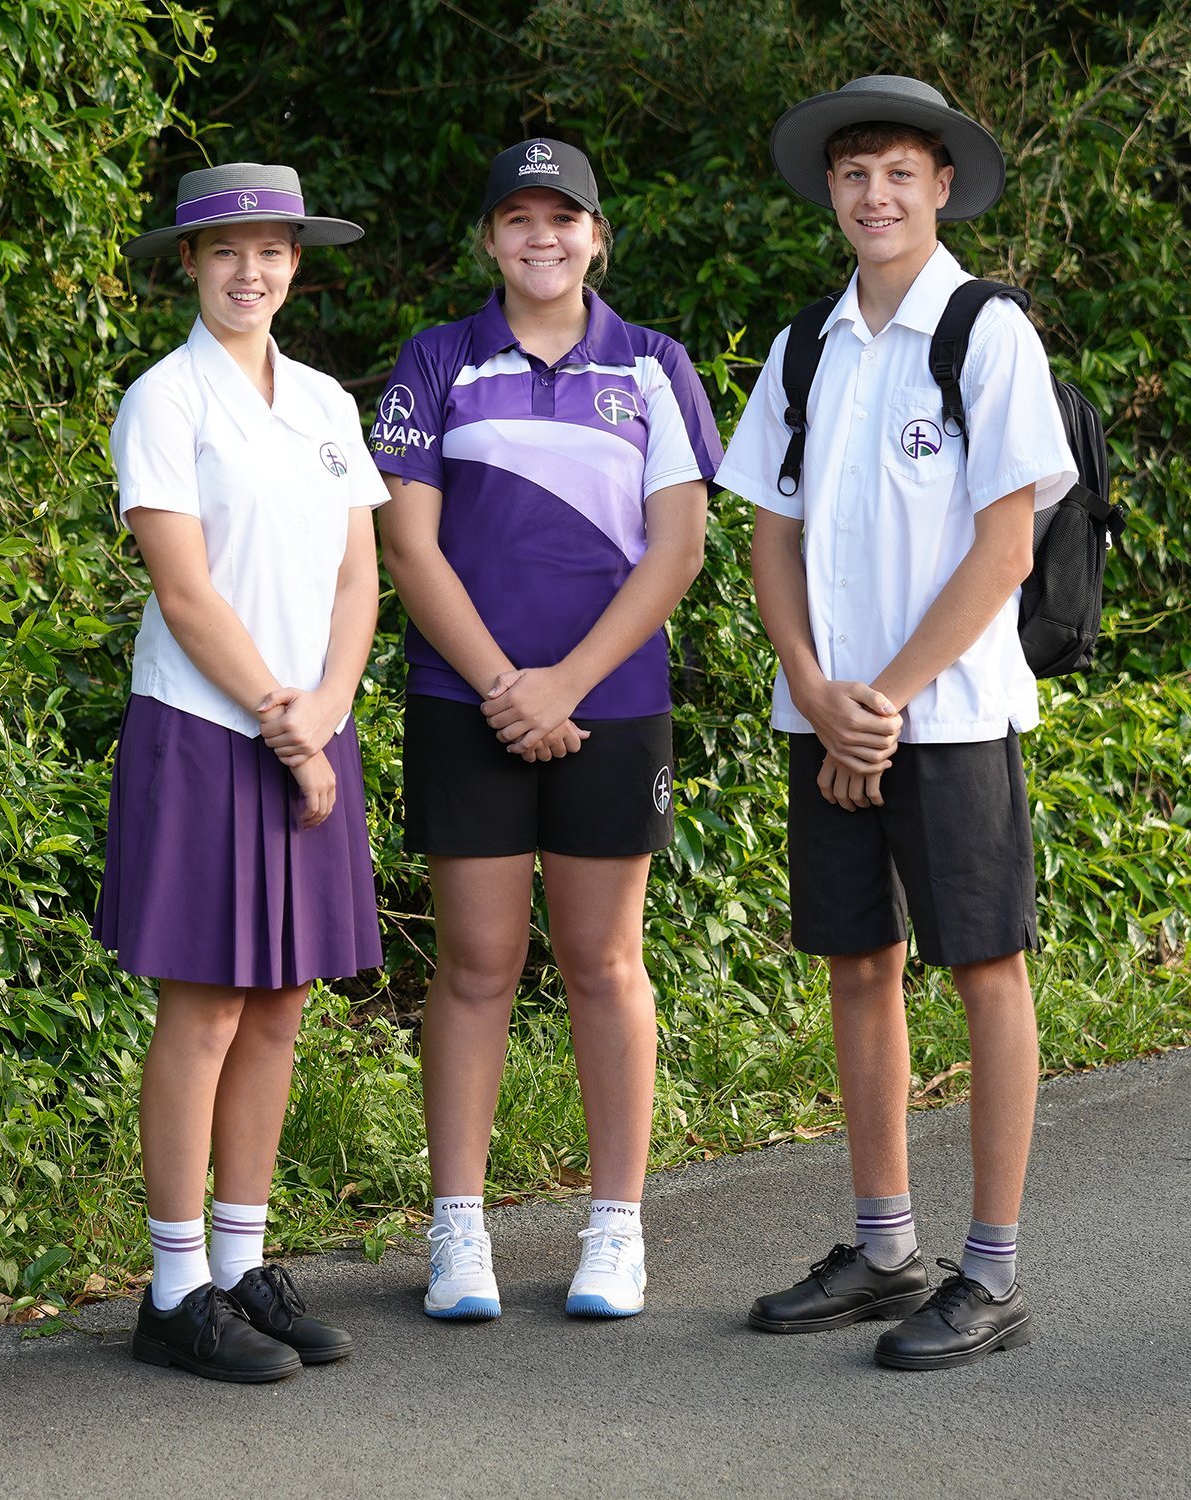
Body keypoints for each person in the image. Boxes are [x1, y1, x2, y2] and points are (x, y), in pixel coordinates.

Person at [715, 76, 1076, 1369]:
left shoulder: (985, 333)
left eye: (899, 173)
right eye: (854, 172)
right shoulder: (810, 345)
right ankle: (883, 1248)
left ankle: (992, 1273)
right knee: (858, 965)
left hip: (956, 716)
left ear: (941, 187)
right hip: (826, 716)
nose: (876, 193)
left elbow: (1005, 545)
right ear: (832, 192)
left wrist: (892, 697)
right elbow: (771, 526)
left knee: (985, 971)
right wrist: (816, 688)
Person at [370, 139, 721, 1320]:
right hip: (461, 703)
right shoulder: (436, 360)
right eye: (517, 219)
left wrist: (563, 683)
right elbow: (407, 546)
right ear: (489, 241)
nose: (541, 238)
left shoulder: (658, 367)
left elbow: (678, 547)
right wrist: (506, 689)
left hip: (612, 706)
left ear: (596, 236)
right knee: (474, 966)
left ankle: (615, 1227)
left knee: (602, 963)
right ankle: (458, 1229)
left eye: (562, 218)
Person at [94, 163, 386, 1382]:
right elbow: (184, 589)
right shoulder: (164, 401)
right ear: (191, 266)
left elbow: (357, 577)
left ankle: (240, 1262)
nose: (248, 269)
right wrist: (284, 719)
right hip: (206, 729)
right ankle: (171, 1295)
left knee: (283, 1001)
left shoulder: (323, 401)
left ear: (295, 263)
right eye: (224, 251)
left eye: (269, 248)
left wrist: (323, 715)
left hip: (311, 726)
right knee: (207, 1005)